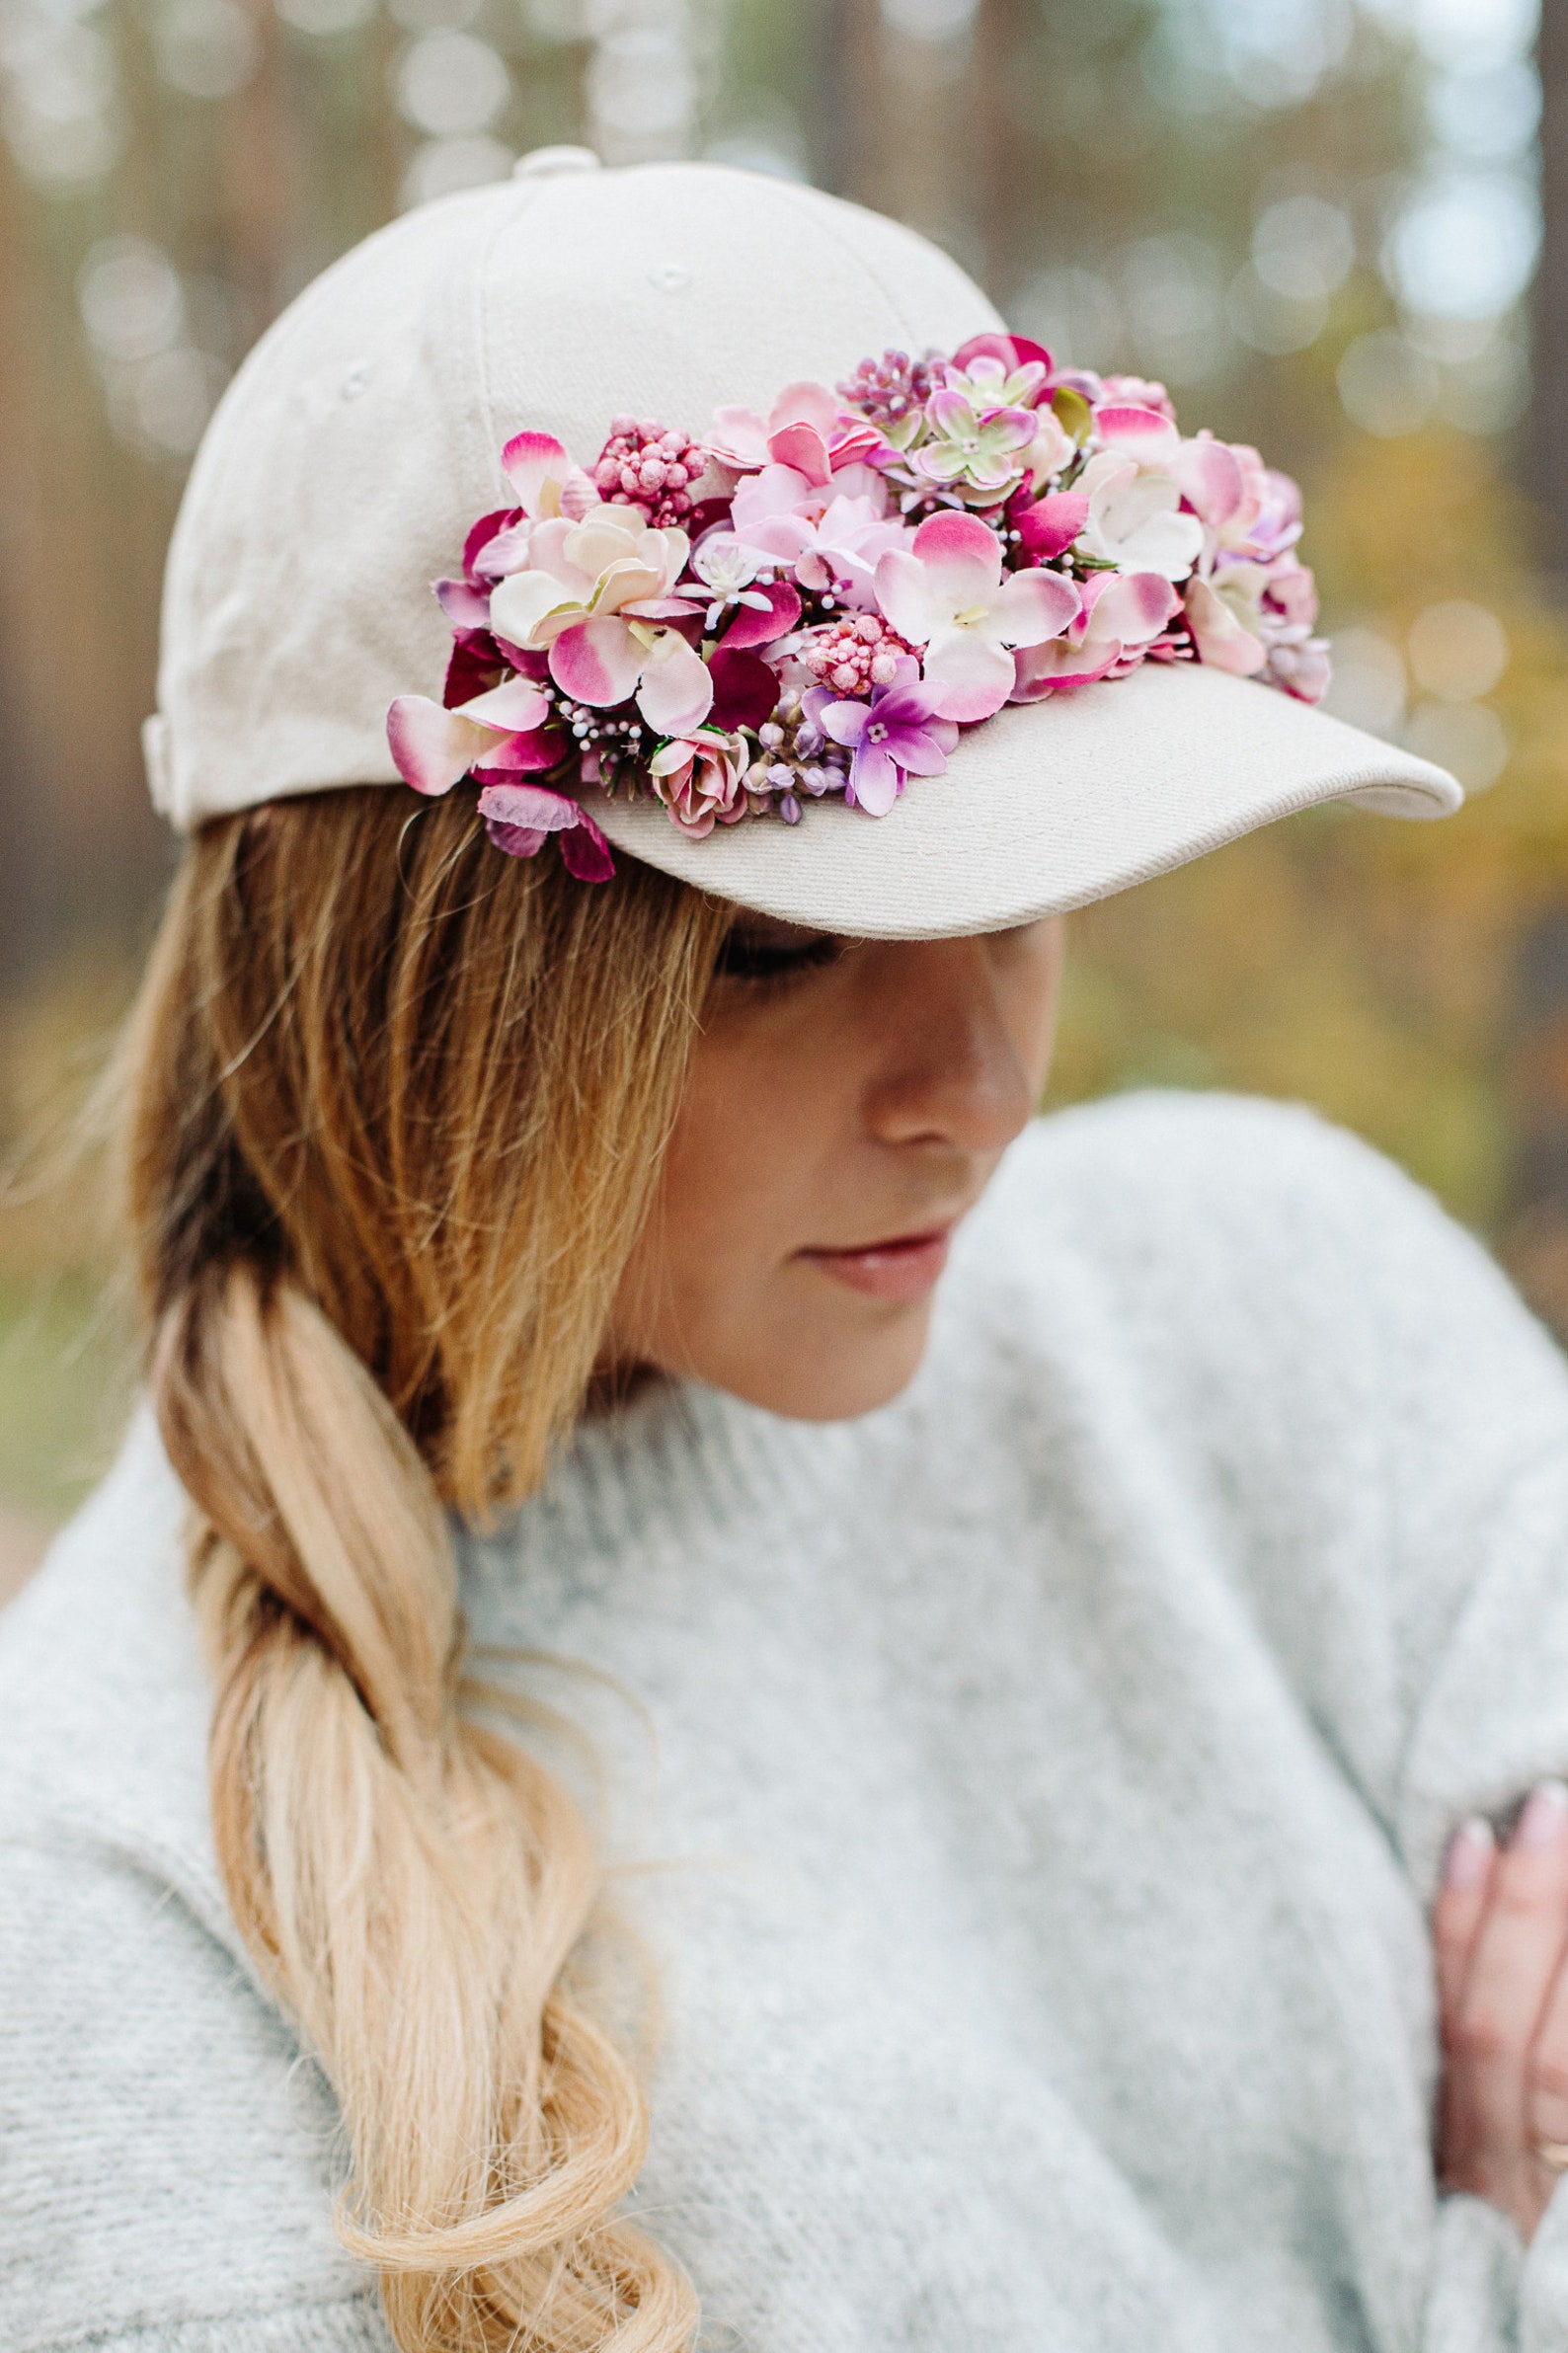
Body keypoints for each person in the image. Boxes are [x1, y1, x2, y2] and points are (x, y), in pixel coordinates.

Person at [2, 151, 1567, 2353]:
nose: (978, 1090)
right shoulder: (111, 1891)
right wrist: (1486, 2249)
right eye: (772, 953)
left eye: (1023, 897)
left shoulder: (1282, 1303)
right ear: (397, 998)